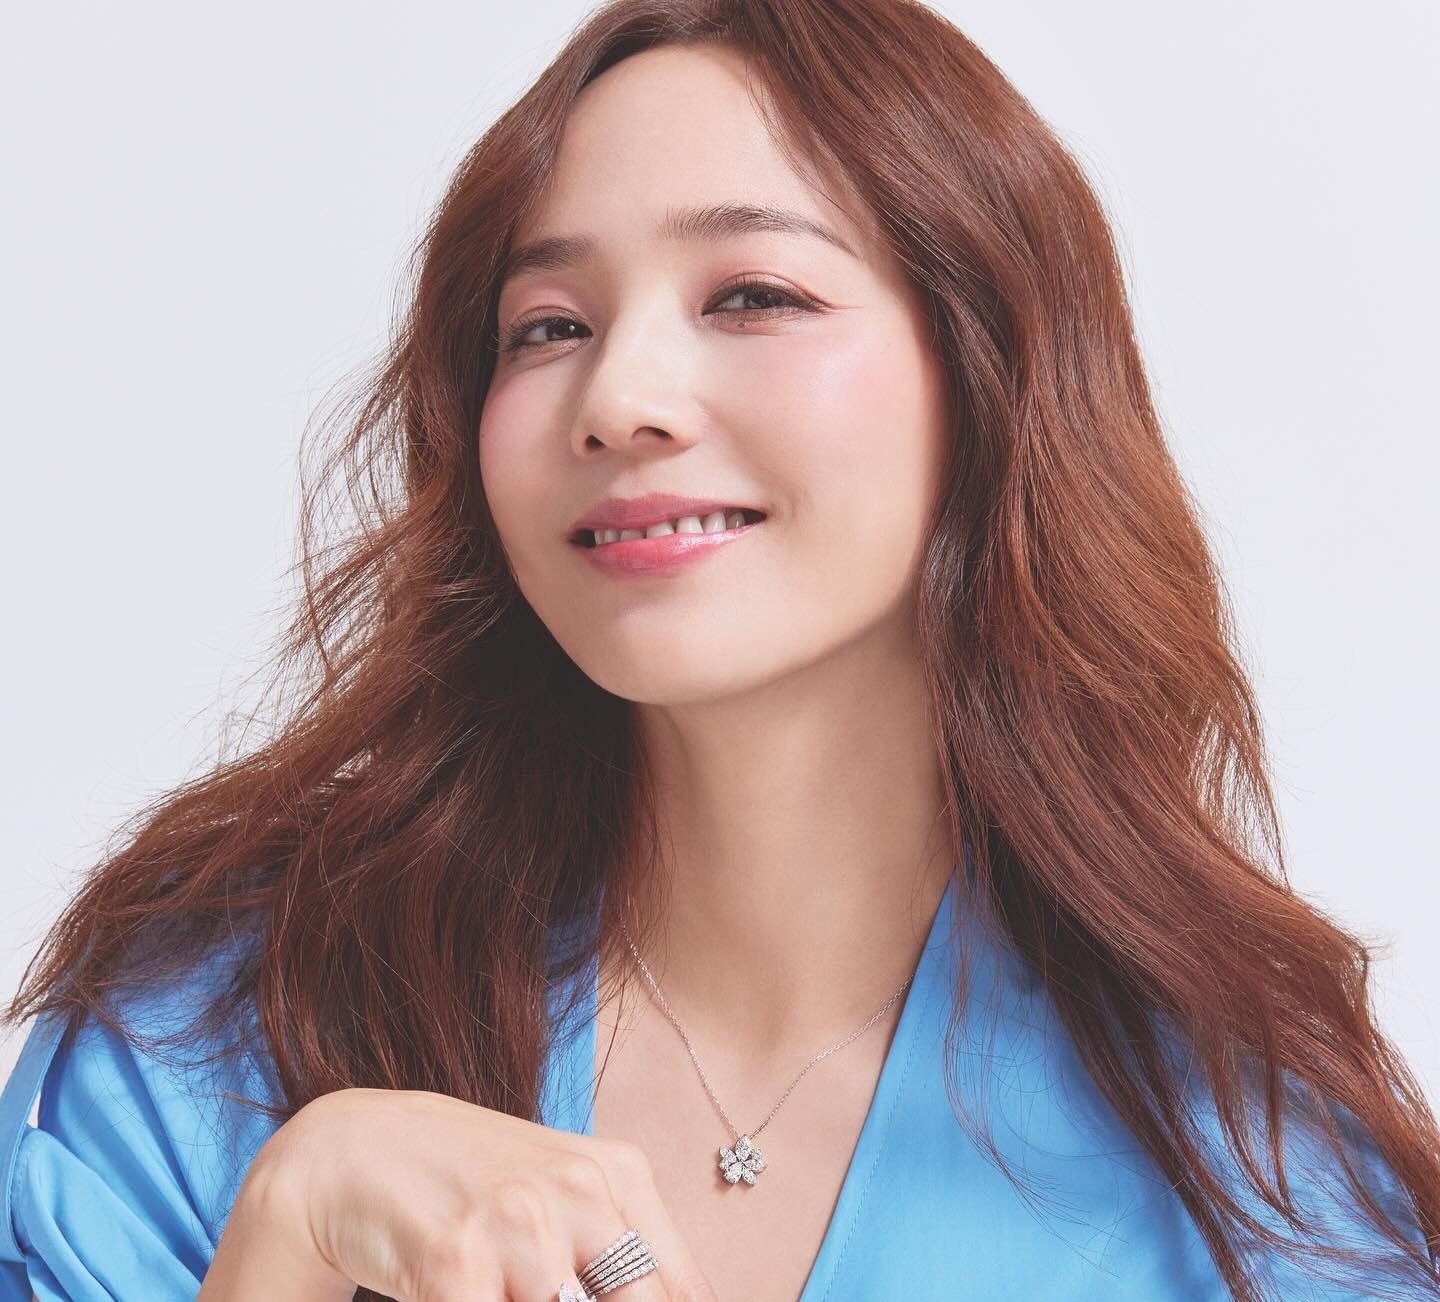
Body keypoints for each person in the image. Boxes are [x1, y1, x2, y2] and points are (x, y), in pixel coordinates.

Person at [1, 1, 1436, 1300]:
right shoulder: (199, 1048)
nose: (618, 394)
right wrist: (286, 1234)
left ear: (991, 375)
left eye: (754, 296)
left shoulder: (1264, 1188)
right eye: (547, 326)